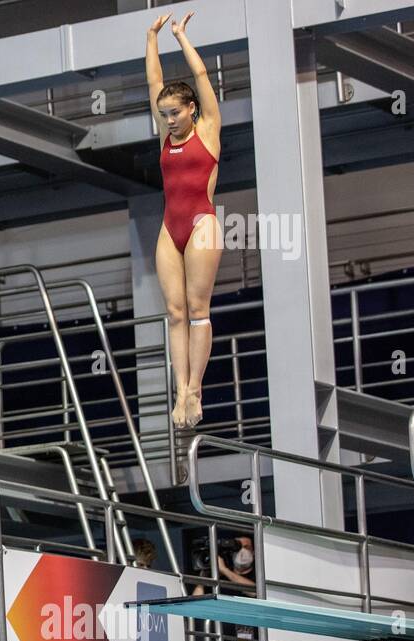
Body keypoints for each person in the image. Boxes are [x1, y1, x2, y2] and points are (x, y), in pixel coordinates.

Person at [146, 11, 222, 430]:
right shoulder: (165, 137)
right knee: (174, 313)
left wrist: (180, 36)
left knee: (197, 309)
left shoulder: (207, 130)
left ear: (192, 109)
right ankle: (180, 390)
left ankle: (196, 389)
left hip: (201, 224)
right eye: (164, 115)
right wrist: (151, 38)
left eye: (175, 112)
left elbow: (203, 75)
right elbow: (154, 82)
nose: (169, 120)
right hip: (169, 229)